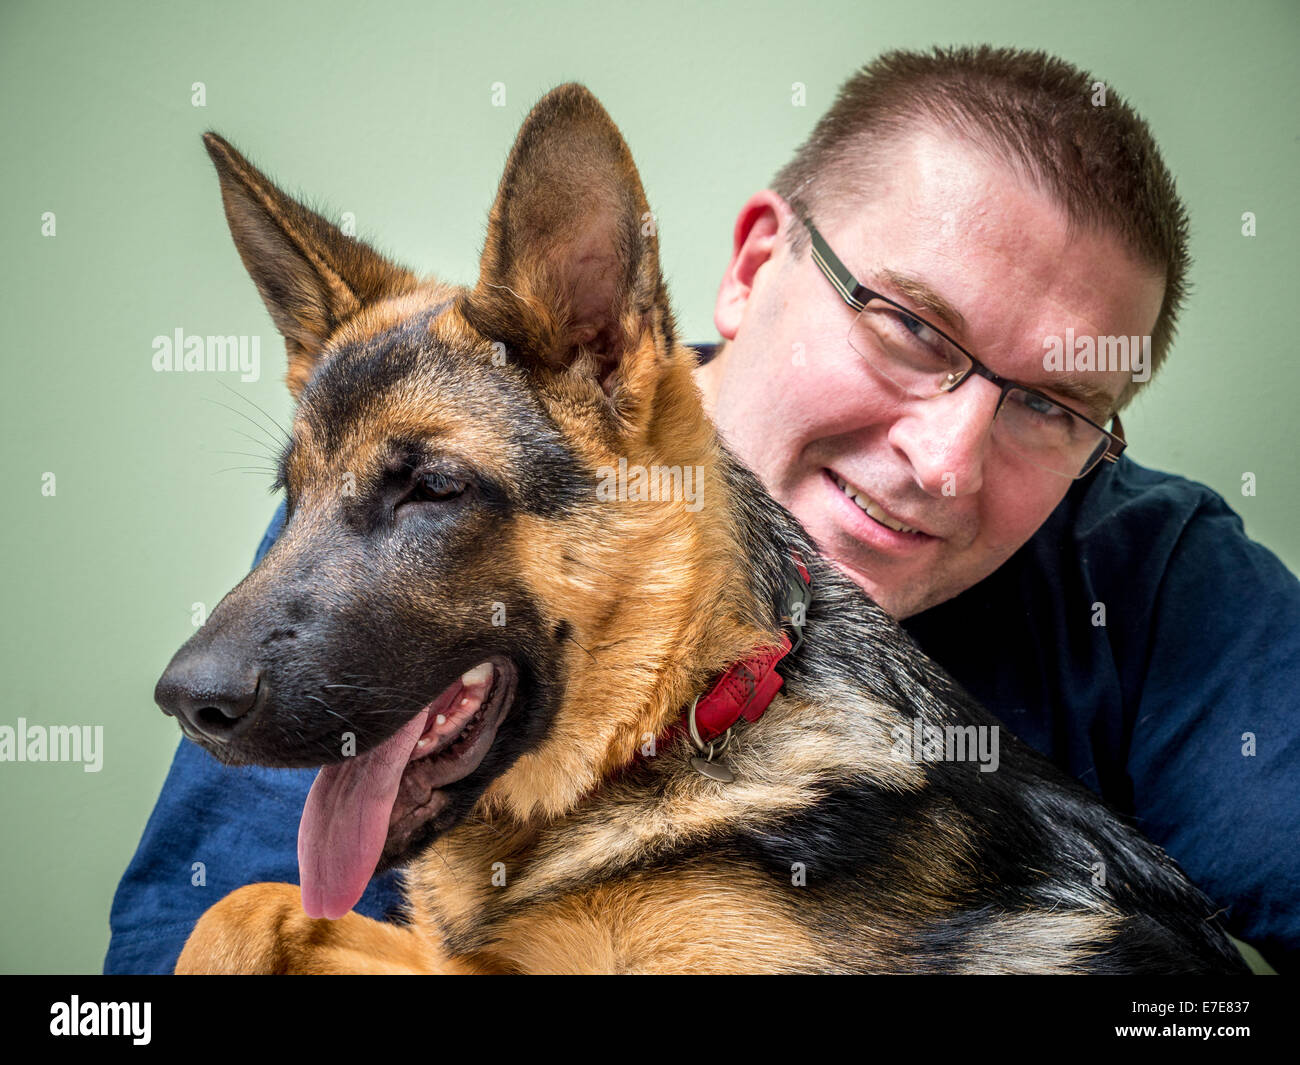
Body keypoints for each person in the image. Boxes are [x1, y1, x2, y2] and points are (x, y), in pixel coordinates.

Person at [107, 45, 1299, 974]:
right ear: (749, 264)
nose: (945, 463)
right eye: (911, 328)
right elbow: (149, 987)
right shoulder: (426, 503)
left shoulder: (1152, 567)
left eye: (1053, 401)